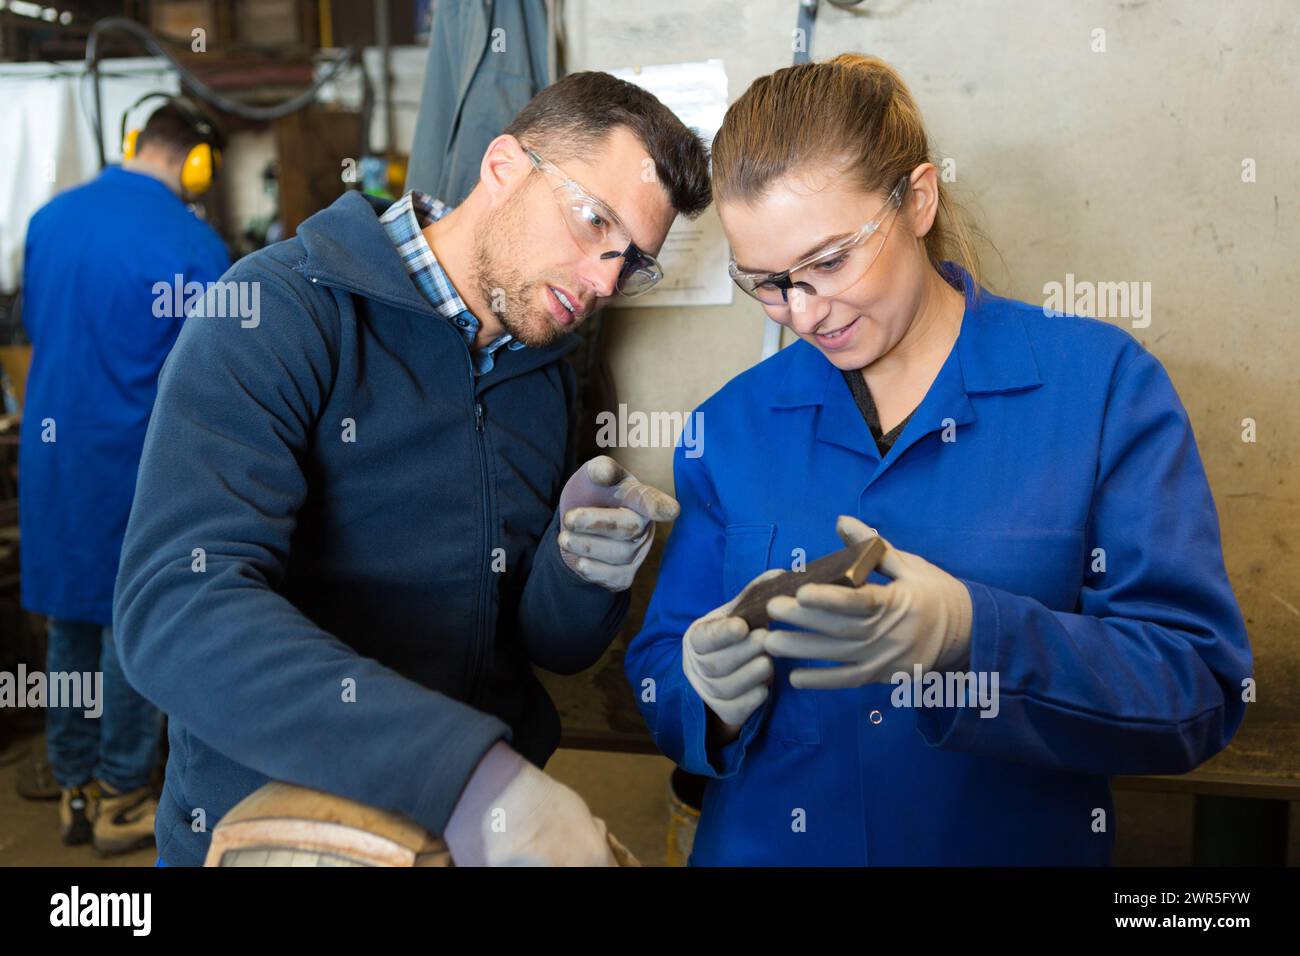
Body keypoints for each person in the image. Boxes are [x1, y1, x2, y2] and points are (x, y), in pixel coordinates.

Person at [625, 54, 1252, 866]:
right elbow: (660, 667)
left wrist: (974, 635)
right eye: (769, 283)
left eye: (829, 262)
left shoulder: (1098, 391)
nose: (806, 312)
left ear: (917, 199)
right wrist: (699, 695)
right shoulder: (731, 427)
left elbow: (1195, 688)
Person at [114, 71, 710, 866]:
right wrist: (470, 778)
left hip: (465, 841)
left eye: (632, 260)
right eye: (592, 220)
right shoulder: (279, 312)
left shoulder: (541, 370)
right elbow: (177, 609)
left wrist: (579, 570)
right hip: (281, 833)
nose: (604, 281)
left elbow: (542, 645)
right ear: (503, 167)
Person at [19, 100, 230, 855]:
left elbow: (38, 328)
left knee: (69, 622)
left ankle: (73, 789)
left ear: (135, 143)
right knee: (130, 626)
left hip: (52, 458)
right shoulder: (196, 246)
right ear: (196, 162)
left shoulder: (49, 218)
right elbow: (218, 382)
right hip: (134, 464)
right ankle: (120, 794)